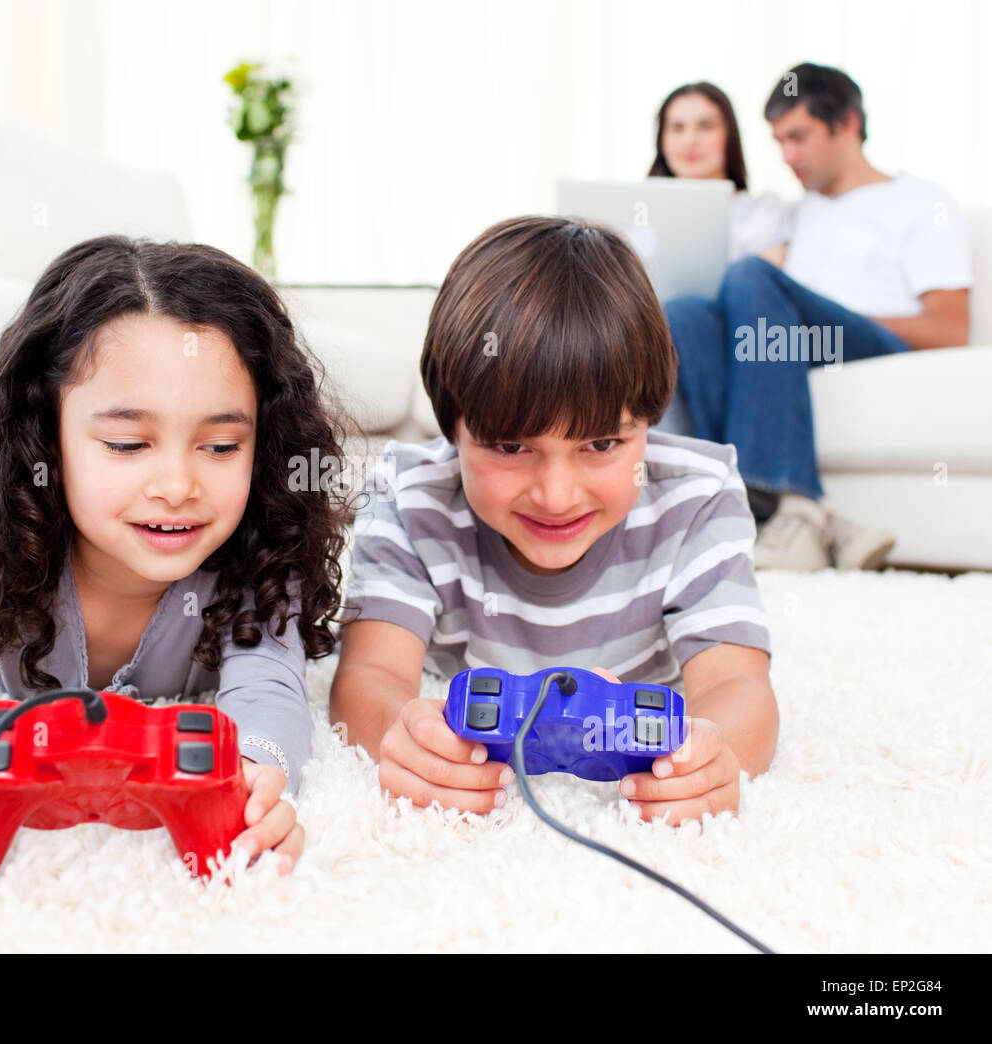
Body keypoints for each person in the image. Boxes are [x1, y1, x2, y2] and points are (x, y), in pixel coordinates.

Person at [0, 235, 357, 878]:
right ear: (46, 433)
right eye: (125, 444)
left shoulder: (261, 541)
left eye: (222, 446)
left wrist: (257, 771)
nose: (177, 485)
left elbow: (269, 692)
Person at [330, 216, 778, 826]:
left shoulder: (697, 494)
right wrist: (401, 737)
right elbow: (370, 674)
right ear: (452, 428)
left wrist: (712, 755)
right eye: (511, 448)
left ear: (649, 423)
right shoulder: (410, 496)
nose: (557, 495)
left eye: (600, 445)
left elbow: (738, 685)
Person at [662, 63, 972, 570]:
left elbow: (949, 328)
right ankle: (783, 509)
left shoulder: (918, 201)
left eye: (800, 137)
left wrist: (814, 314)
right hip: (794, 348)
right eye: (779, 141)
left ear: (847, 124)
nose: (788, 157)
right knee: (687, 314)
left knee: (749, 276)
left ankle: (785, 496)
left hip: (868, 341)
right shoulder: (796, 214)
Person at [649, 80, 790, 261]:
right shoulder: (640, 213)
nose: (690, 140)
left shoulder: (764, 212)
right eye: (677, 128)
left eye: (706, 126)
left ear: (729, 136)